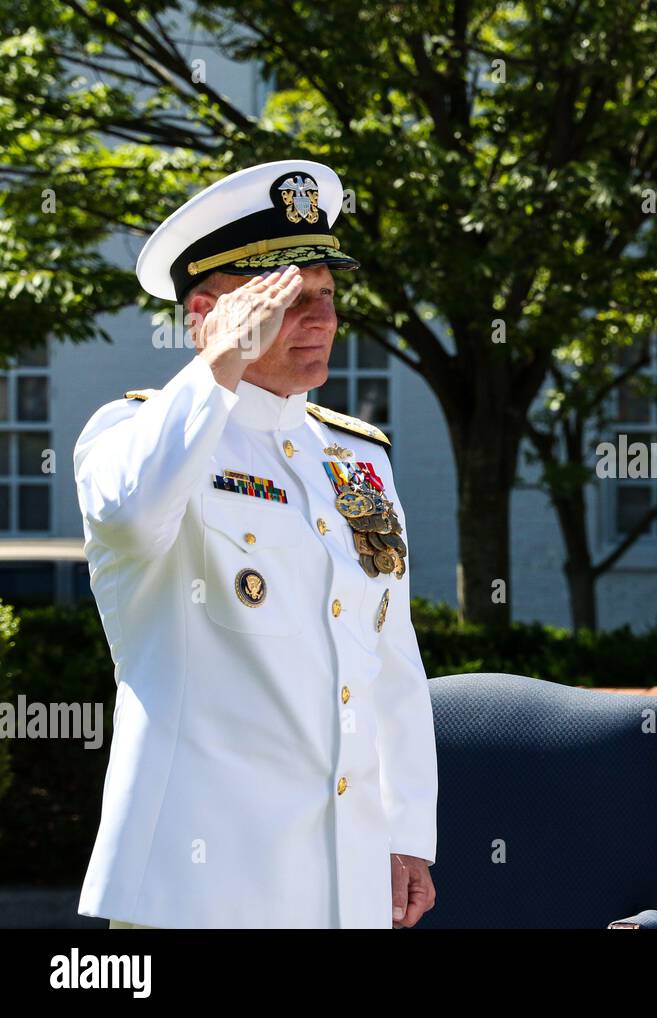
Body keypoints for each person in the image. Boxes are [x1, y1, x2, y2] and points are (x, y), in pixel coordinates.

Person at [75, 160, 438, 928]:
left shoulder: (357, 459)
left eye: (329, 297)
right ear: (206, 313)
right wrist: (221, 362)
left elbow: (391, 659)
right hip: (198, 889)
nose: (321, 321)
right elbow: (134, 516)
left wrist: (406, 832)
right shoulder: (131, 439)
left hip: (345, 881)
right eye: (287, 302)